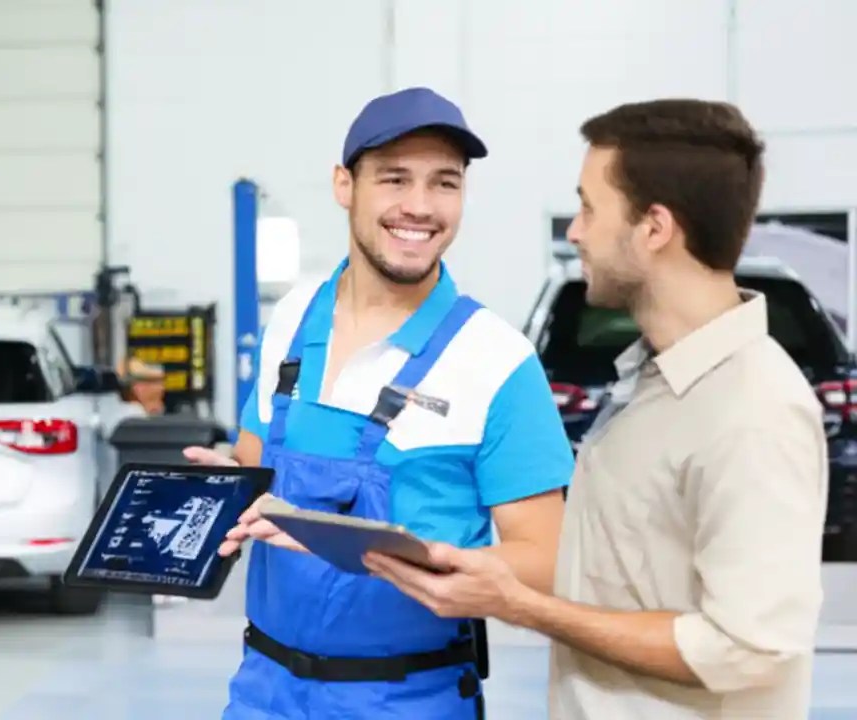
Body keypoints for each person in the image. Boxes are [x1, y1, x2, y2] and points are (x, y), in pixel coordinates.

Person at [363, 99, 828, 719]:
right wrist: (478, 570)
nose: (575, 231)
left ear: (654, 228)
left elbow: (743, 648)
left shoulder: (752, 410)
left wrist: (518, 604)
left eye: (588, 207)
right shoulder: (651, 383)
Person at [183, 86, 575, 719]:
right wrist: (224, 485)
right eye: (395, 179)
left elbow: (545, 562)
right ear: (345, 185)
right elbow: (255, 464)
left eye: (445, 184)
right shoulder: (291, 321)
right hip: (264, 688)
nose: (419, 207)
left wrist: (404, 559)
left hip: (407, 698)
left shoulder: (497, 361)